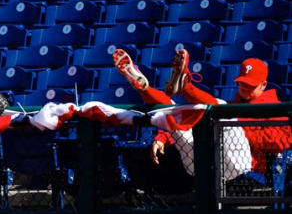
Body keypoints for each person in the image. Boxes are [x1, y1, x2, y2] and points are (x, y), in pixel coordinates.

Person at [112, 48, 292, 180]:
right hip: (207, 164)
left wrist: (240, 129)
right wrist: (163, 137)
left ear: (263, 85)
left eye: (250, 86)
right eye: (242, 83)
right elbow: (191, 120)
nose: (244, 88)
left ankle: (187, 85)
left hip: (244, 168)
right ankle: (145, 88)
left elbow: (282, 141)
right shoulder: (234, 105)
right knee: (178, 112)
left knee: (219, 109)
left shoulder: (275, 109)